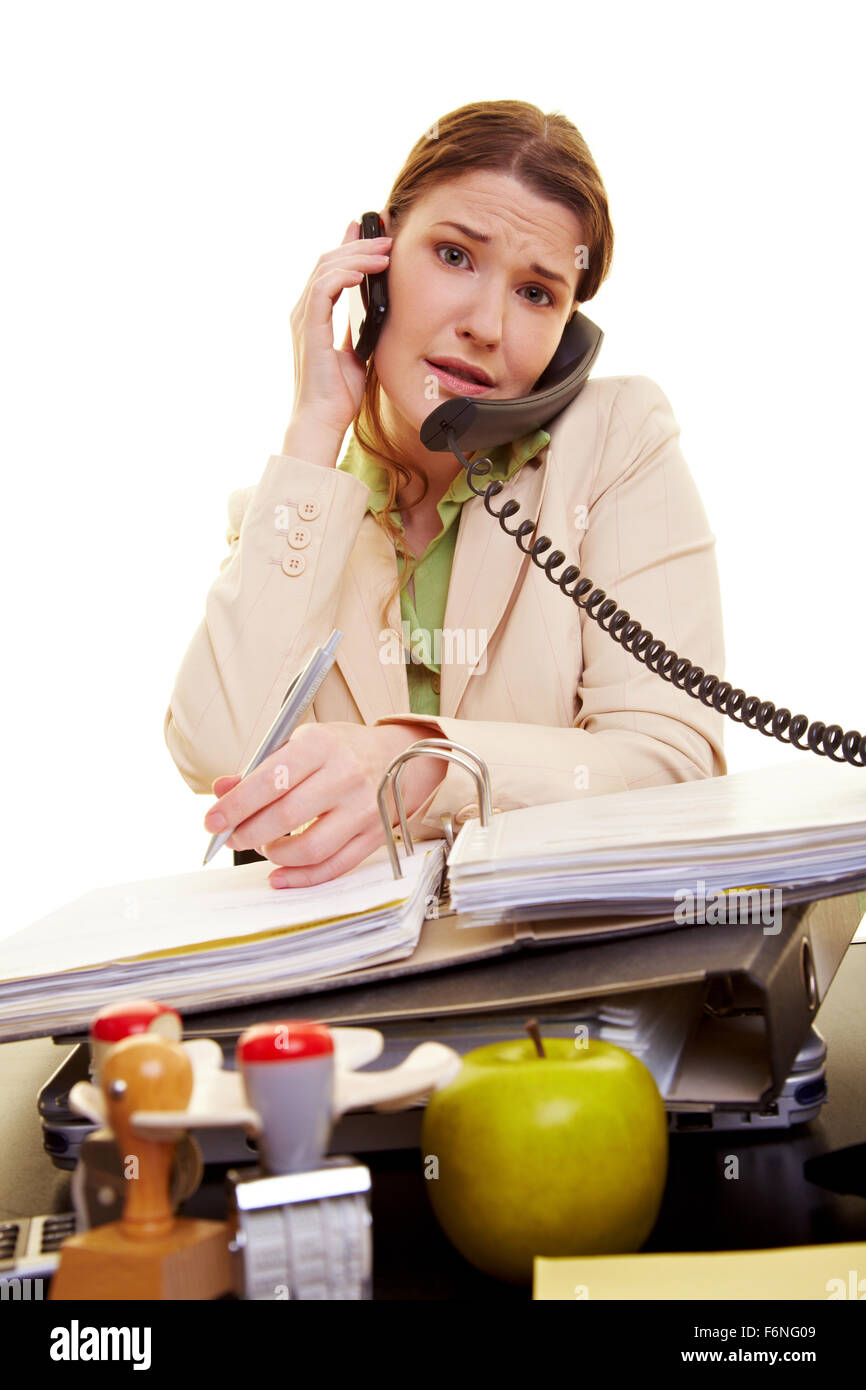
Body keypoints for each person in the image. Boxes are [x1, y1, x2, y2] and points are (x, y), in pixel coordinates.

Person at [164, 99, 727, 890]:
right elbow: (219, 755)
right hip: (356, 992)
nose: (488, 326)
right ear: (376, 261)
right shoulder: (293, 508)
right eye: (455, 256)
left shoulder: (615, 441)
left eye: (537, 293)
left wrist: (421, 760)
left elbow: (673, 761)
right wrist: (315, 424)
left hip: (567, 967)